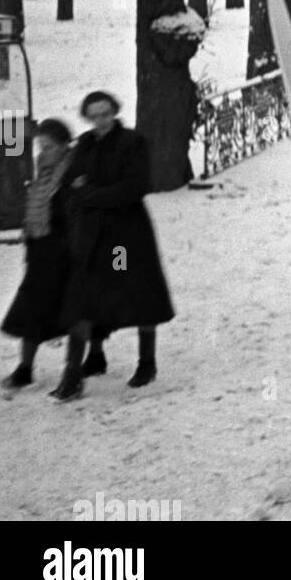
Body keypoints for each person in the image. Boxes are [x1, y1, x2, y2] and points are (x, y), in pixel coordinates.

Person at [51, 92, 175, 401]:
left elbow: (135, 187)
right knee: (83, 299)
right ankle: (75, 372)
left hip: (125, 240)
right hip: (91, 239)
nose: (100, 121)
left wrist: (90, 194)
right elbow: (67, 186)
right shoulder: (83, 145)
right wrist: (92, 193)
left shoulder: (132, 142)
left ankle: (147, 363)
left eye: (105, 113)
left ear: (114, 112)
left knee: (134, 293)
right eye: (94, 116)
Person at [0, 119, 84, 389]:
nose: (43, 152)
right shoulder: (43, 171)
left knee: (77, 311)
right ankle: (25, 368)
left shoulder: (73, 173)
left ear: (64, 146)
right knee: (31, 309)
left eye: (49, 147)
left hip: (68, 253)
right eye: (40, 146)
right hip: (41, 251)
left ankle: (77, 370)